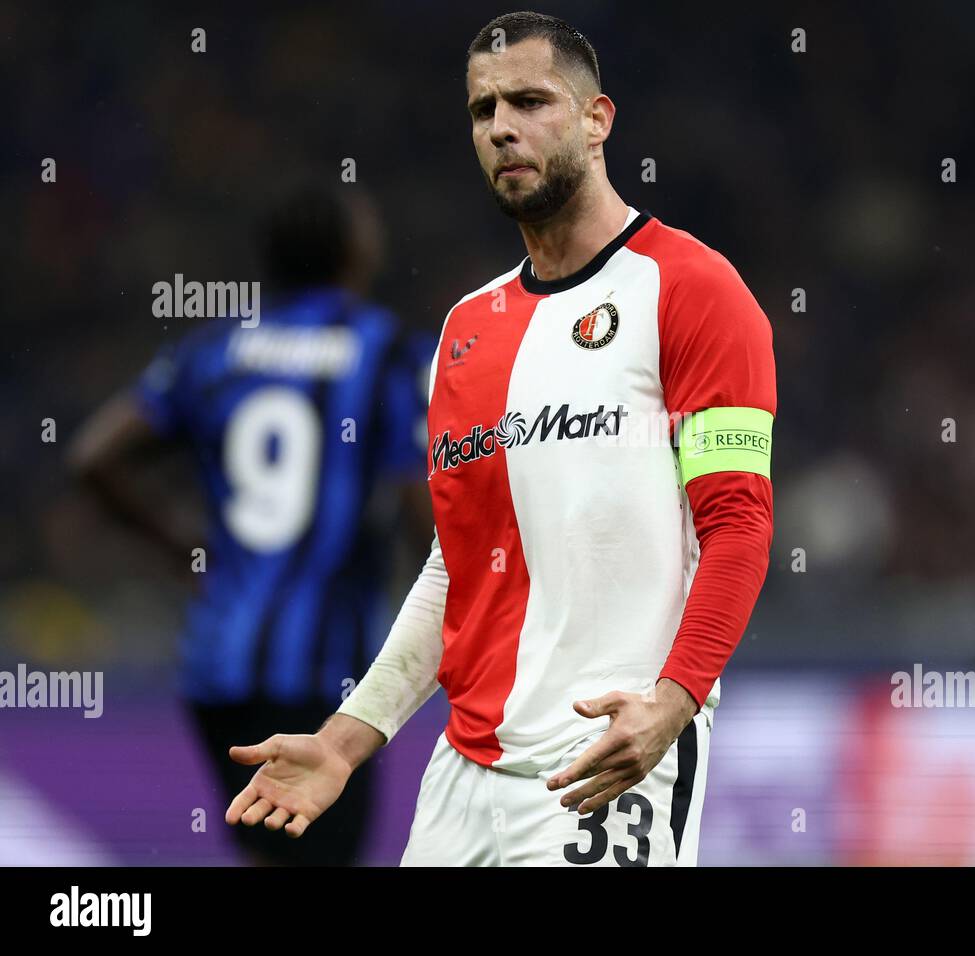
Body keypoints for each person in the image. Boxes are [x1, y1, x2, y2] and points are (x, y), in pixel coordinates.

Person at [225, 11, 776, 867]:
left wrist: (674, 703)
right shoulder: (464, 330)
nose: (502, 128)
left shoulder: (695, 292)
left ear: (598, 121)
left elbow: (738, 524)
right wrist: (346, 739)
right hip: (464, 775)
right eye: (483, 111)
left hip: (608, 762)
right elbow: (454, 563)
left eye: (530, 101)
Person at [69, 185, 435, 865]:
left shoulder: (214, 352)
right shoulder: (383, 354)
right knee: (318, 856)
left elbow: (94, 457)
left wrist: (183, 548)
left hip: (217, 663)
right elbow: (425, 513)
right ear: (355, 253)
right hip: (324, 669)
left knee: (272, 852)